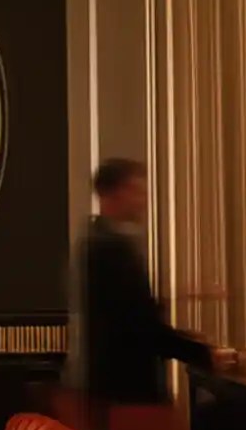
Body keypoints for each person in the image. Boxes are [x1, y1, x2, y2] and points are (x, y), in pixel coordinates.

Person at [79, 158, 234, 404]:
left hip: (110, 389)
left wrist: (177, 298)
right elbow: (137, 328)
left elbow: (126, 311)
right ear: (112, 194)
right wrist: (204, 354)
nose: (142, 201)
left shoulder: (97, 240)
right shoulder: (111, 248)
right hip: (126, 391)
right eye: (135, 191)